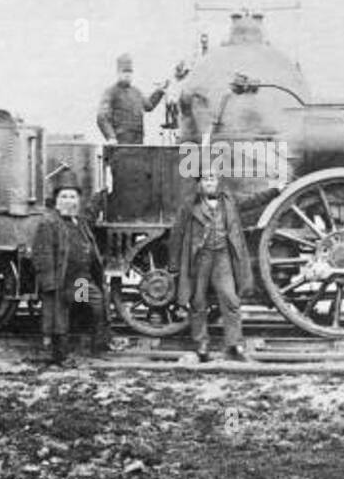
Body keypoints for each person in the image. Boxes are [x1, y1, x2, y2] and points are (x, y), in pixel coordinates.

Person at [167, 172, 253, 362]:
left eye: (212, 179)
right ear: (200, 184)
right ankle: (201, 344)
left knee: (230, 298)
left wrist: (276, 191)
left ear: (218, 182)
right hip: (199, 258)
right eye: (205, 180)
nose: (209, 183)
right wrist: (173, 264)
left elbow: (254, 200)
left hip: (222, 256)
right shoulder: (189, 205)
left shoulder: (228, 202)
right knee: (197, 302)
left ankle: (234, 345)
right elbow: (177, 233)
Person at [32, 170, 111, 365]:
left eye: (73, 196)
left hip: (80, 280)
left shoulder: (79, 220)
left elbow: (92, 210)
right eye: (64, 196)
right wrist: (49, 284)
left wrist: (104, 190)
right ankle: (60, 356)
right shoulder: (49, 222)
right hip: (62, 280)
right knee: (59, 318)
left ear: (78, 200)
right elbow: (42, 255)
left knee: (95, 305)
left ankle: (96, 346)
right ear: (57, 201)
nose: (69, 201)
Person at [97, 54, 167, 145]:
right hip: (120, 143)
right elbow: (102, 117)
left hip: (138, 142)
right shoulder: (111, 92)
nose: (127, 75)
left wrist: (159, 91)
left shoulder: (136, 92)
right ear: (118, 73)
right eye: (124, 72)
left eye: (130, 72)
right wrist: (111, 137)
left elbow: (149, 106)